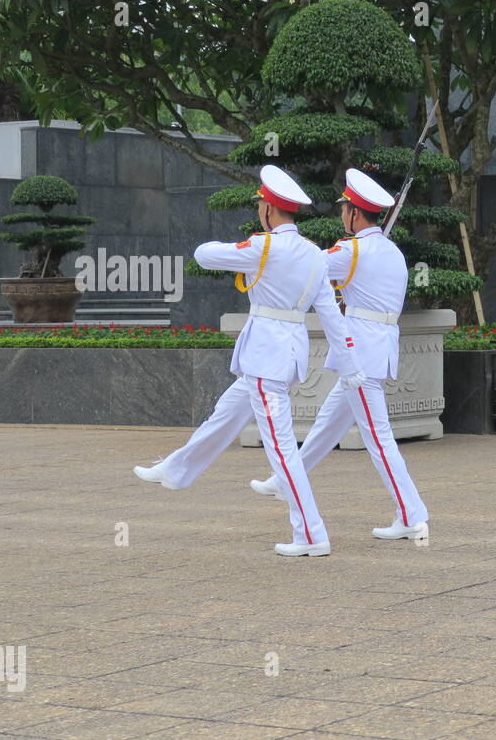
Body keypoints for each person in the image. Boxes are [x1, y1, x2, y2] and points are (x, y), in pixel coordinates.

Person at [132, 165, 361, 557]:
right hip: (283, 356)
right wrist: (352, 365)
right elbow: (331, 317)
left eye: (260, 204)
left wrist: (246, 248)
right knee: (225, 415)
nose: (259, 210)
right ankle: (175, 470)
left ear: (269, 210)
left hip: (265, 359)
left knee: (282, 447)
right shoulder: (313, 255)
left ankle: (312, 534)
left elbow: (204, 256)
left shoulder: (264, 247)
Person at [249, 168, 430, 542]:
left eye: (344, 209)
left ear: (354, 214)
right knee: (327, 426)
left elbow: (309, 267)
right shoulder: (391, 251)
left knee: (379, 439)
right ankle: (285, 479)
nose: (341, 214)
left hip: (359, 356)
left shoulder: (351, 251)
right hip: (376, 350)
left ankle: (412, 514)